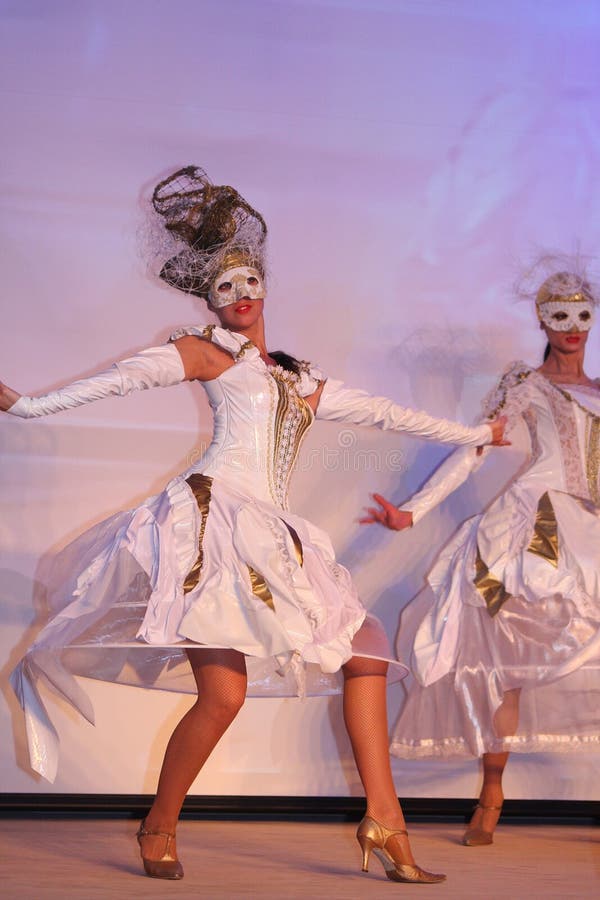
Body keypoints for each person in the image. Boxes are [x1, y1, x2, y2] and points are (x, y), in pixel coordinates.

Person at [2, 166, 504, 882]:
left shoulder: (298, 378)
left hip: (274, 533)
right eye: (223, 288)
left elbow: (388, 413)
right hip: (215, 522)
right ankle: (159, 825)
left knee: (367, 649)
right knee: (226, 695)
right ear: (210, 300)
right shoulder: (208, 354)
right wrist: (27, 408)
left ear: (266, 288)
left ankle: (384, 821)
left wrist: (473, 430)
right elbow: (123, 377)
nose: (238, 296)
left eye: (248, 283)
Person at [362, 265, 600, 847]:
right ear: (542, 321)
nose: (572, 327)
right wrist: (411, 512)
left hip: (590, 527)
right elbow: (473, 451)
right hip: (535, 527)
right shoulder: (525, 385)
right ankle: (492, 795)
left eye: (582, 315)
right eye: (559, 316)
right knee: (509, 663)